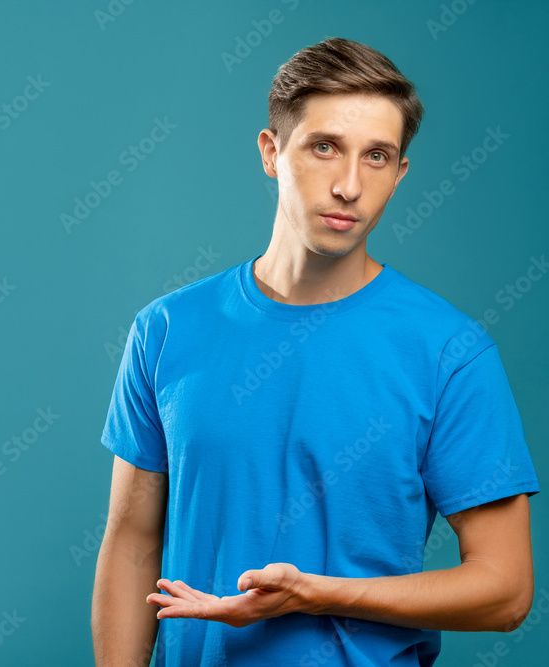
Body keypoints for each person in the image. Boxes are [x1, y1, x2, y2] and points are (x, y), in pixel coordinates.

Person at [90, 36, 541, 666]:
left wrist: (315, 595)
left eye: (377, 156)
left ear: (400, 173)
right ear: (272, 152)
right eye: (324, 147)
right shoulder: (166, 329)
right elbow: (132, 542)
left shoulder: (450, 352)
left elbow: (505, 592)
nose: (350, 186)